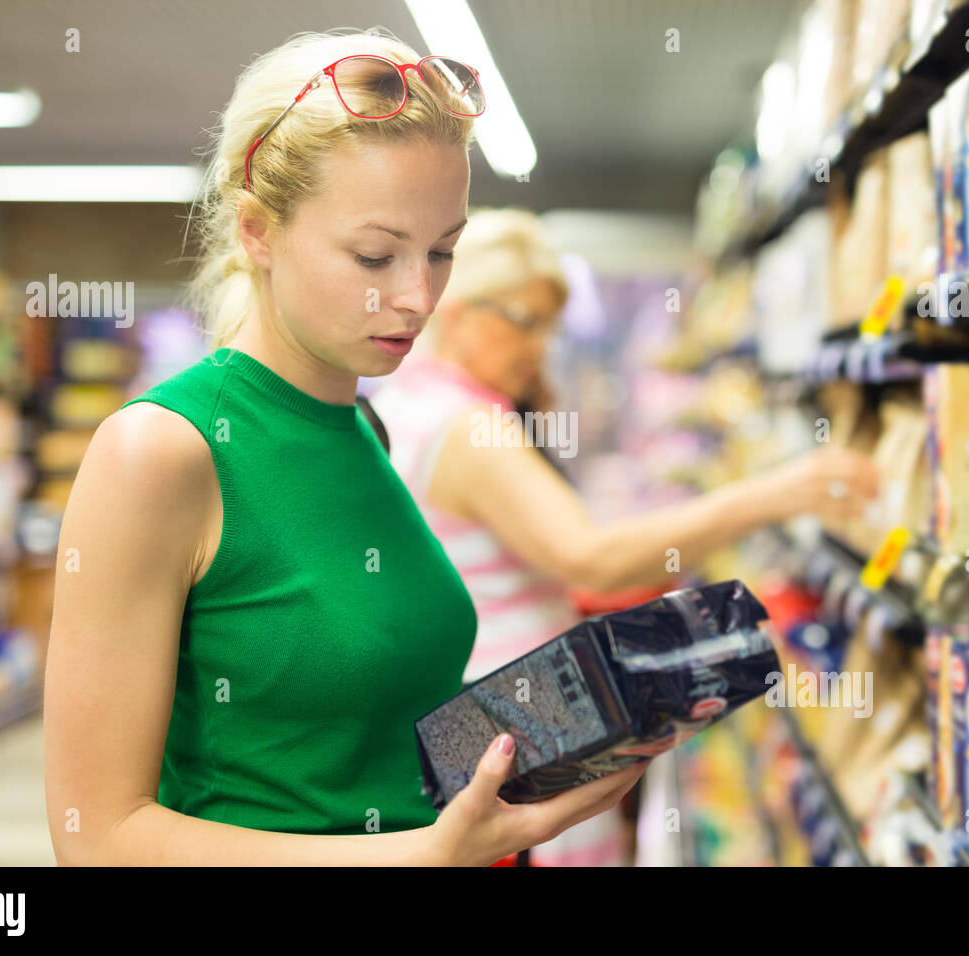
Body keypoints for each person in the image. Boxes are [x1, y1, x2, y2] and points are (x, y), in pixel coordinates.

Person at [42, 29, 647, 867]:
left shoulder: (368, 427)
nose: (417, 296)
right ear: (258, 231)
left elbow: (356, 736)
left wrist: (548, 733)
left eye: (442, 252)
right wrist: (421, 856)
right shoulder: (160, 453)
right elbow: (98, 836)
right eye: (375, 254)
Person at [369, 208, 880, 865]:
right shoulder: (464, 425)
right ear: (463, 312)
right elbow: (590, 558)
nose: (541, 347)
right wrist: (779, 492)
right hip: (528, 727)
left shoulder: (407, 400)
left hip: (481, 720)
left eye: (551, 326)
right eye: (527, 323)